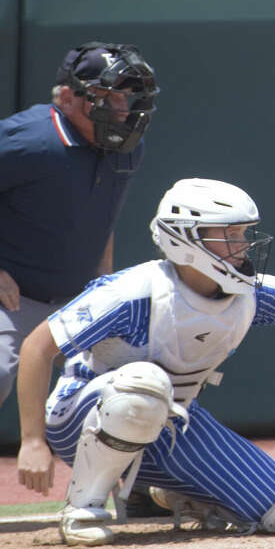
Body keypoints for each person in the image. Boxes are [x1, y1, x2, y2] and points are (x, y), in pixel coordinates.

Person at [15, 178, 275, 546]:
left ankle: (153, 491)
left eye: (243, 233)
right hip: (81, 417)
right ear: (186, 238)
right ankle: (83, 509)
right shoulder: (133, 292)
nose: (243, 245)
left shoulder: (249, 293)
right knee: (145, 386)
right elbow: (37, 348)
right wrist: (33, 441)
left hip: (171, 419)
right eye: (230, 234)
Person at [0, 42, 158, 410]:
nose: (121, 110)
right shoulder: (30, 139)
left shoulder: (128, 145)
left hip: (76, 301)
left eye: (127, 98)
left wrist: (103, 284)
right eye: (108, 97)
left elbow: (102, 216)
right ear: (68, 97)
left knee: (139, 385)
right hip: (13, 298)